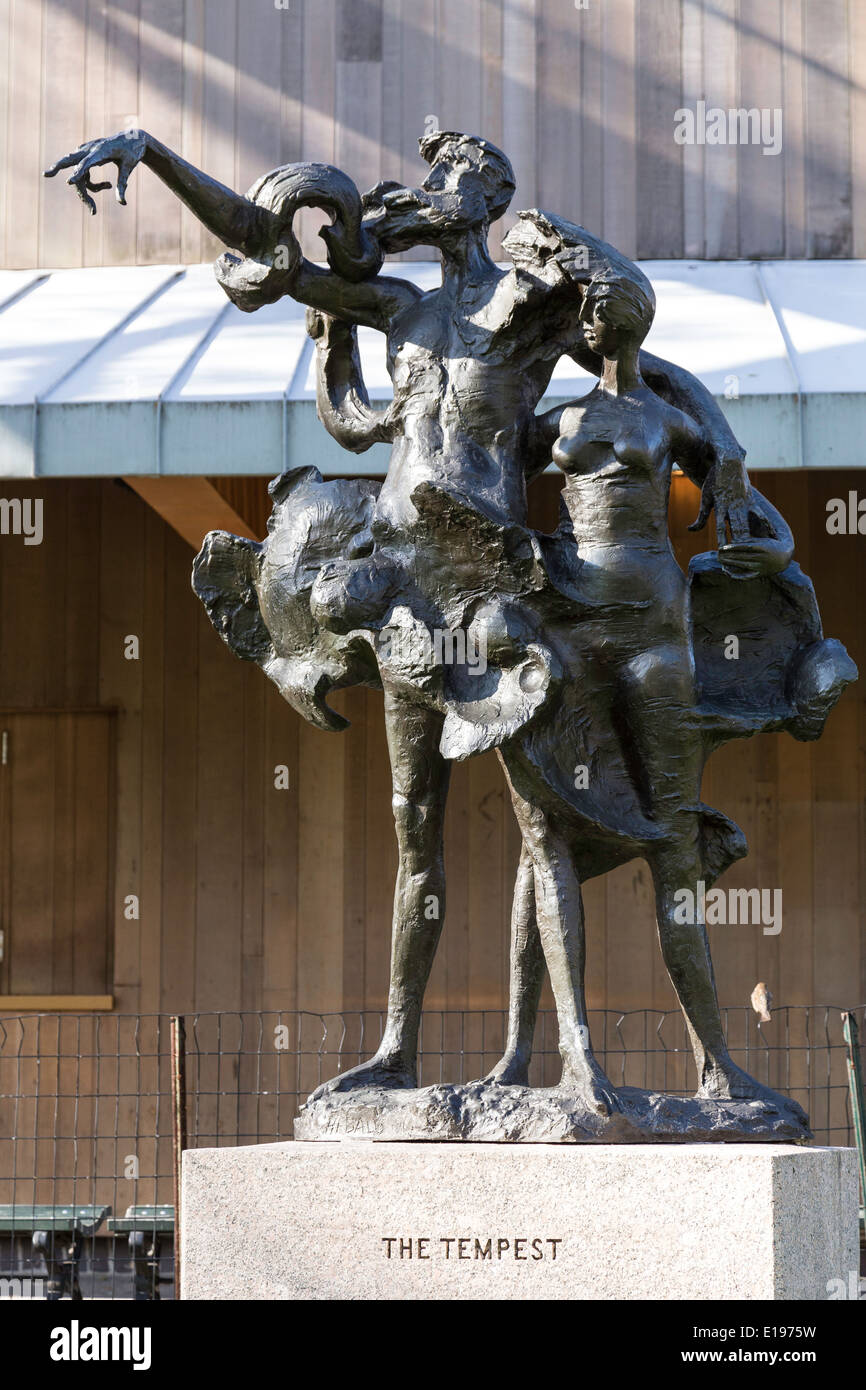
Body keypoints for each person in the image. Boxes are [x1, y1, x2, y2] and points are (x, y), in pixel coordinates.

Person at [45, 128, 762, 1108]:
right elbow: (269, 245)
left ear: (493, 197)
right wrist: (159, 157)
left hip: (491, 582)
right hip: (402, 581)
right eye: (430, 177)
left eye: (454, 179)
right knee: (409, 821)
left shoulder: (529, 309)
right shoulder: (398, 308)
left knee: (536, 827)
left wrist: (718, 447)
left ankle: (572, 1059)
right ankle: (396, 1046)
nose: (430, 189)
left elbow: (644, 358)